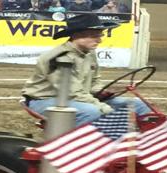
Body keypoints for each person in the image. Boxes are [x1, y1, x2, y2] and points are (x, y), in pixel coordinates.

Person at [22, 14, 150, 126]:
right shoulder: (59, 58)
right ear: (77, 35)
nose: (100, 40)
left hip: (77, 97)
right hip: (45, 100)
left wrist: (101, 92)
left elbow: (94, 81)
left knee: (137, 105)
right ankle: (82, 147)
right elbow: (72, 93)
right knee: (93, 112)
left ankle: (142, 142)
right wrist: (104, 107)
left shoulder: (89, 53)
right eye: (94, 36)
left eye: (100, 35)